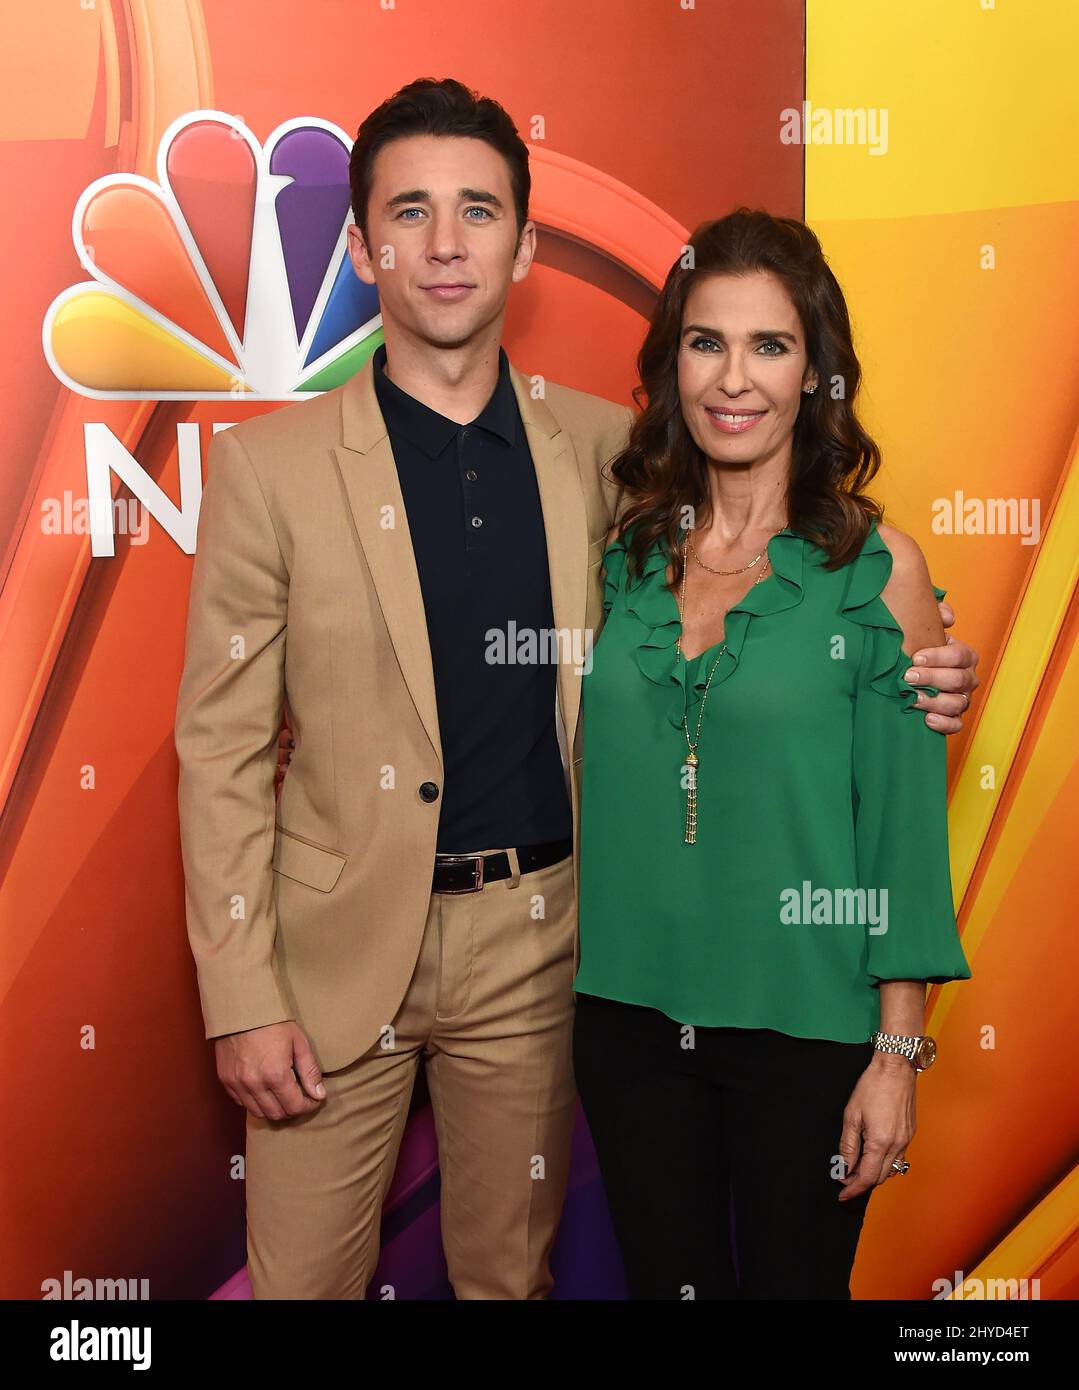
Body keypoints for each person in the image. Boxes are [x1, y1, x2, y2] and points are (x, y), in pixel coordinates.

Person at [176, 79, 979, 1300]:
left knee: (513, 1277)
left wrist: (914, 653)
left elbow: (790, 579)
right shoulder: (266, 472)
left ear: (524, 243)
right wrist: (239, 994)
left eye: (478, 211)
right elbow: (220, 748)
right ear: (358, 244)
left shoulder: (613, 459)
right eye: (410, 212)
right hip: (331, 954)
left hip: (543, 946)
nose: (446, 245)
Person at [571, 208, 974, 1300]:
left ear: (813, 372)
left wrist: (897, 1057)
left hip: (807, 1026)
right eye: (705, 342)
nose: (732, 378)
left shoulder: (878, 568)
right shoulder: (624, 555)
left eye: (769, 344)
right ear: (670, 366)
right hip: (626, 1019)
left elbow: (900, 836)